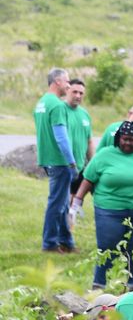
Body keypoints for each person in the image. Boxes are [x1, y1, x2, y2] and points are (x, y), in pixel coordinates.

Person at [69, 121, 133, 291]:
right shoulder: (104, 155)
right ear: (118, 139)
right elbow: (88, 179)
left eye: (132, 140)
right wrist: (76, 203)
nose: (128, 143)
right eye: (124, 139)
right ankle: (98, 287)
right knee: (106, 250)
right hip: (109, 212)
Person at [35, 67, 77, 253]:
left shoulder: (41, 103)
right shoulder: (58, 105)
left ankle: (66, 241)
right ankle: (50, 244)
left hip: (46, 159)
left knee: (62, 203)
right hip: (59, 161)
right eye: (67, 81)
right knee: (57, 204)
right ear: (57, 82)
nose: (69, 85)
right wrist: (71, 161)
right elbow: (61, 136)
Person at [65, 79, 94, 196]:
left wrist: (93, 163)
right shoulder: (60, 110)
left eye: (81, 93)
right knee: (62, 199)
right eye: (75, 92)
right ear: (67, 90)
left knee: (74, 198)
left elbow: (89, 141)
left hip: (80, 165)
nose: (78, 96)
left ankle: (70, 214)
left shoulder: (85, 114)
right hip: (64, 165)